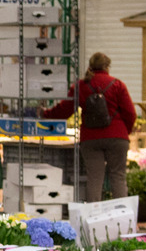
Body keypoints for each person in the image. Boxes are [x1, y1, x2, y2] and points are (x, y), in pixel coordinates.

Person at [44, 52, 137, 202]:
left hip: (91, 138)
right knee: (118, 177)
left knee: (94, 179)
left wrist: (46, 114)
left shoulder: (80, 86)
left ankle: (94, 219)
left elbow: (64, 110)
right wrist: (124, 132)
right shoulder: (117, 85)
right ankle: (122, 218)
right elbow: (130, 113)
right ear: (107, 67)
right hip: (117, 137)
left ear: (90, 66)